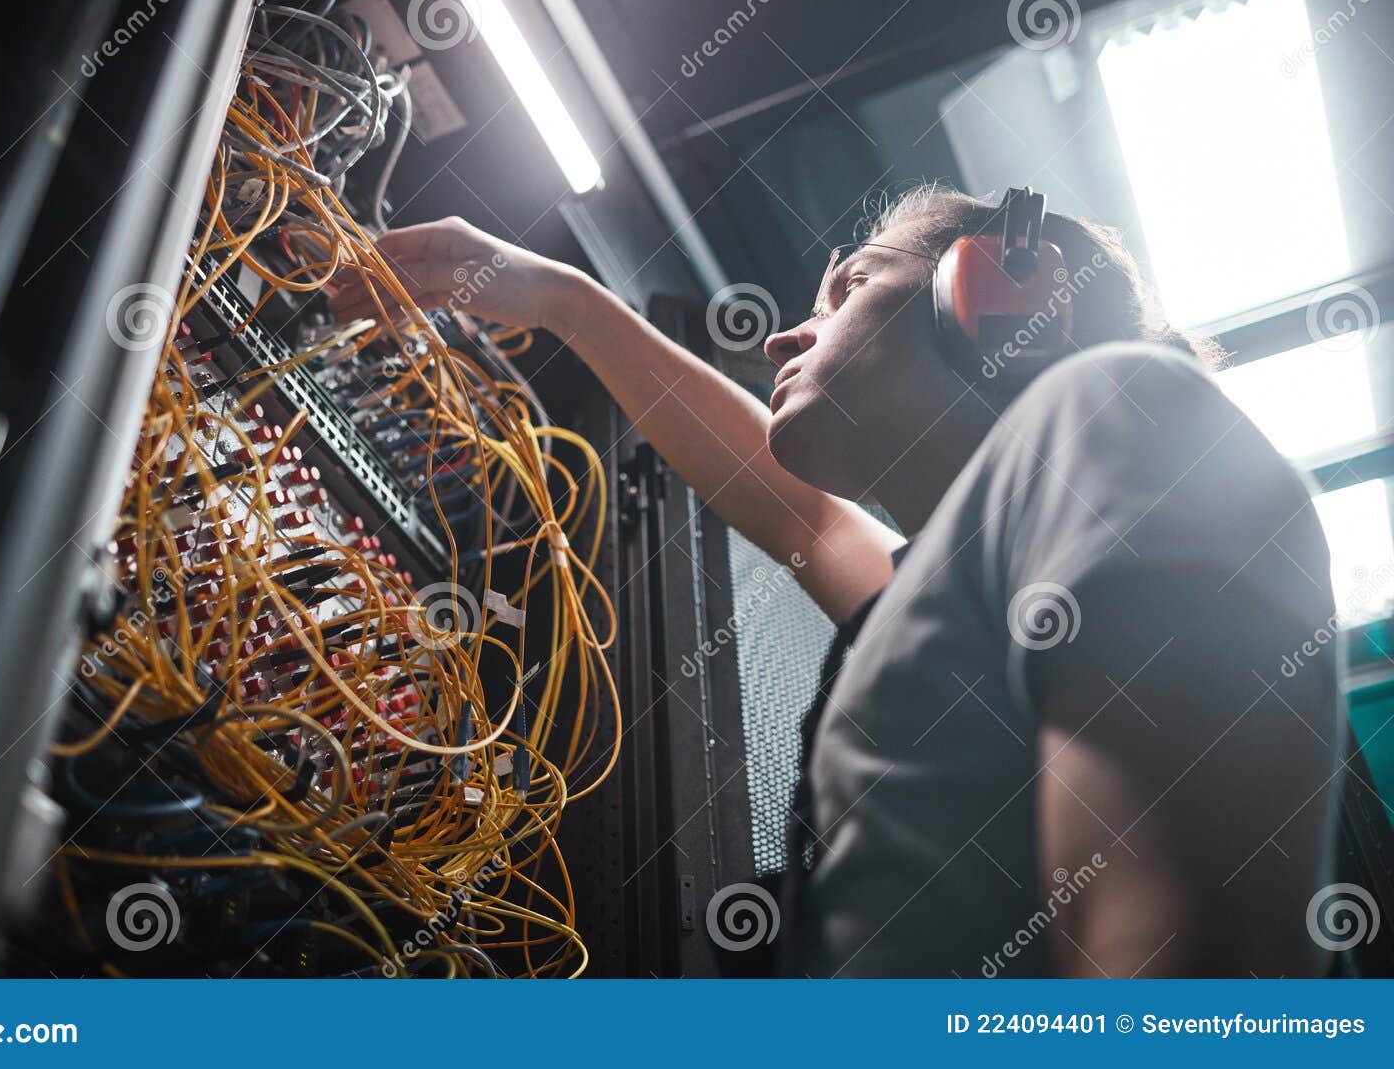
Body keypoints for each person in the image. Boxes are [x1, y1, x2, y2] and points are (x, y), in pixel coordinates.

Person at [325, 183, 1343, 977]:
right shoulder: (953, 599)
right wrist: (563, 300)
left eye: (849, 286)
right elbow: (797, 513)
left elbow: (1178, 961)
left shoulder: (1125, 411)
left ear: (994, 297)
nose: (781, 337)